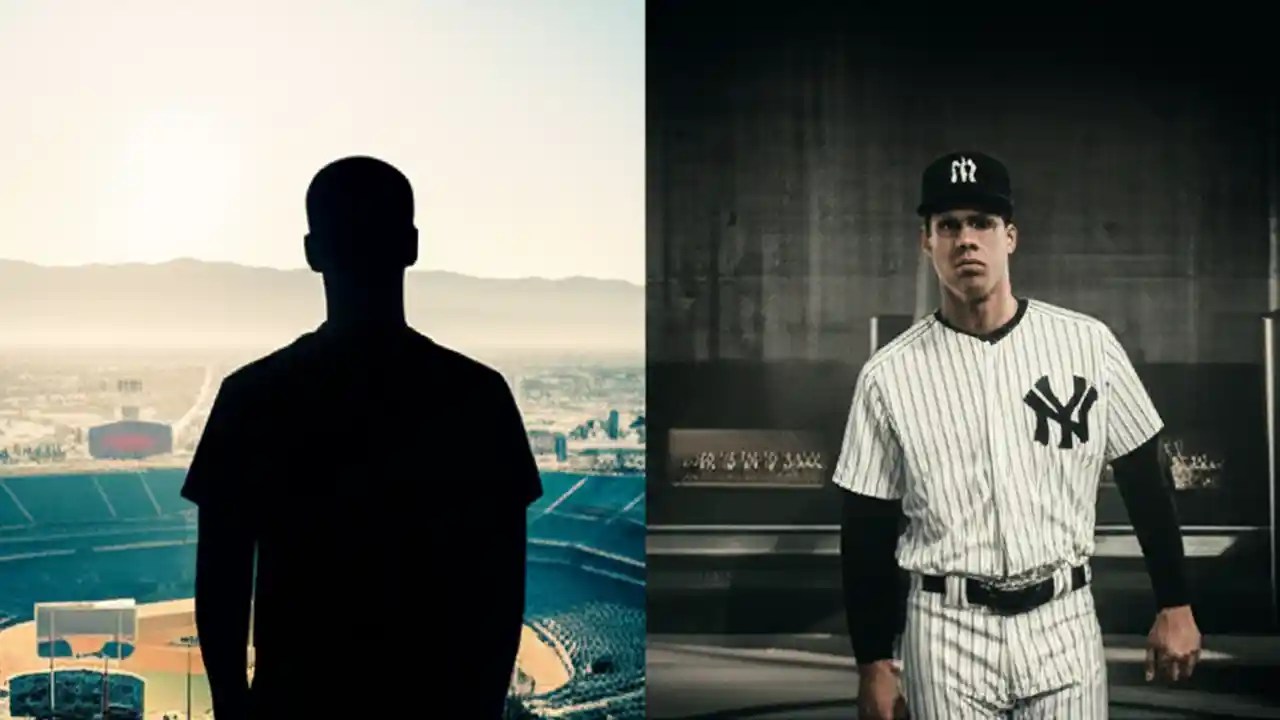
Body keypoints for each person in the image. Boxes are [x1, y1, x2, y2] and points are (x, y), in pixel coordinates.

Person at [835, 151, 1203, 720]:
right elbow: (865, 529)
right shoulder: (888, 375)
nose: (966, 240)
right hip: (946, 629)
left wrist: (1175, 602)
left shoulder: (1088, 345)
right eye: (948, 225)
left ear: (1010, 237)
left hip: (1063, 618)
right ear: (926, 242)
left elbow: (1145, 479)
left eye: (981, 223)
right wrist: (873, 665)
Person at [181, 156, 543, 719]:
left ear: (312, 252)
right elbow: (499, 596)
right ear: (412, 245)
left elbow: (222, 590)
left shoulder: (251, 397)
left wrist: (233, 706)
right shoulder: (479, 397)